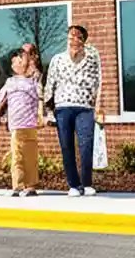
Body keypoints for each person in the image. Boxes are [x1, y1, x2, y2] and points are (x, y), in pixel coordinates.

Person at [43, 25, 103, 197]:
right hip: (62, 107)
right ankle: (74, 185)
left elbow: (99, 82)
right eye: (70, 36)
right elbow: (50, 84)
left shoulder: (92, 58)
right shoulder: (57, 59)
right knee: (66, 146)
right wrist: (48, 110)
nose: (73, 40)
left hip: (85, 107)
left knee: (86, 144)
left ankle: (87, 182)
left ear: (83, 40)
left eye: (77, 37)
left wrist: (99, 105)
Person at [0, 47, 42, 196]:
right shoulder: (11, 82)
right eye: (21, 58)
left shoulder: (34, 81)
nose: (24, 61)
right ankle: (17, 185)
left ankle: (31, 186)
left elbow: (41, 97)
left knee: (31, 156)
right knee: (17, 155)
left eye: (25, 58)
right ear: (14, 65)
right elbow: (0, 98)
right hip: (16, 126)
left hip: (30, 124)